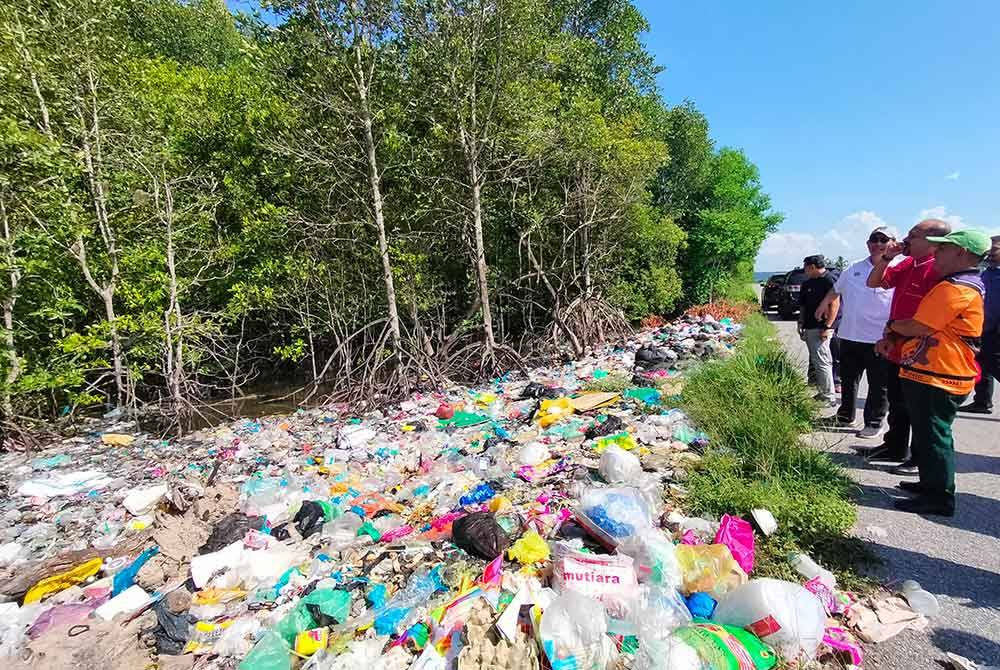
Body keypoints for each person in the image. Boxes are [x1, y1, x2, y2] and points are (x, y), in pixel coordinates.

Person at [881, 230, 991, 516]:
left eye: (942, 249)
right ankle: (930, 484)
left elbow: (919, 326)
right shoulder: (958, 284)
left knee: (935, 435)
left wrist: (893, 326)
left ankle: (939, 497)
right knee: (929, 433)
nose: (936, 254)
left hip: (941, 374)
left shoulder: (956, 288)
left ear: (961, 253)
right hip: (932, 371)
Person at [863, 218, 952, 472]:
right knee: (897, 399)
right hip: (897, 342)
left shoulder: (937, 270)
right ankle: (895, 446)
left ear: (934, 242)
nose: (906, 239)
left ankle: (918, 458)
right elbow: (874, 282)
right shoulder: (910, 263)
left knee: (918, 407)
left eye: (913, 235)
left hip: (921, 347)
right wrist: (887, 259)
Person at [816, 227, 895, 437]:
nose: (877, 244)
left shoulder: (898, 268)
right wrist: (824, 303)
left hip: (879, 338)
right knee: (849, 380)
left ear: (893, 243)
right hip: (850, 335)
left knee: (879, 385)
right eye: (873, 239)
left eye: (883, 239)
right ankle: (844, 415)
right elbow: (836, 289)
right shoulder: (853, 268)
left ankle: (874, 422)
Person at [958, 235, 1000, 414]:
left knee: (996, 364)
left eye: (995, 249)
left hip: (996, 330)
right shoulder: (986, 272)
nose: (989, 252)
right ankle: (982, 402)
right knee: (981, 365)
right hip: (981, 327)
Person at [798, 255, 837, 406]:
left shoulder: (829, 280)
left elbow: (835, 304)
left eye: (806, 268)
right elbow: (803, 305)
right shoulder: (808, 283)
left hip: (821, 328)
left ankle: (829, 396)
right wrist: (801, 322)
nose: (804, 271)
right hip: (809, 326)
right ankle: (822, 392)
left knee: (822, 361)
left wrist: (827, 327)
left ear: (812, 266)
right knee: (816, 360)